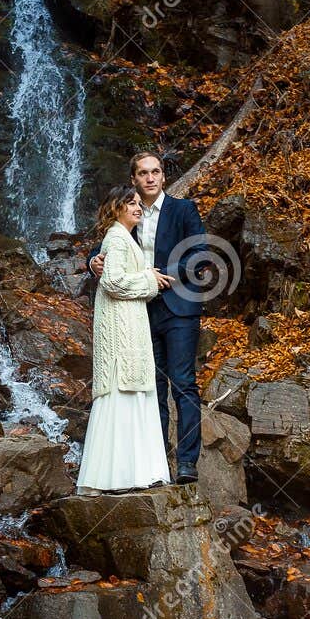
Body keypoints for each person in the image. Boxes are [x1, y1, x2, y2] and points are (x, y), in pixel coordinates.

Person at [88, 152, 208, 483]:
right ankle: (156, 465)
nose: (150, 178)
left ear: (164, 176)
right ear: (134, 179)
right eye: (143, 173)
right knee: (149, 389)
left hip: (179, 310)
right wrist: (92, 263)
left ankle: (186, 463)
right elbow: (102, 249)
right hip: (138, 314)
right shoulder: (128, 212)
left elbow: (201, 254)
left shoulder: (183, 210)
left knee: (183, 384)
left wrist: (160, 276)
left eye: (156, 171)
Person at [75, 186, 174, 493]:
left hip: (130, 327)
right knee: (122, 393)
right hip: (121, 333)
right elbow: (113, 282)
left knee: (132, 393)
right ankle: (118, 476)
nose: (137, 207)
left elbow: (117, 279)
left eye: (137, 203)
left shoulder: (124, 239)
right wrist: (149, 279)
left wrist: (147, 274)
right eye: (129, 203)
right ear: (116, 208)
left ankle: (132, 474)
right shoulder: (116, 239)